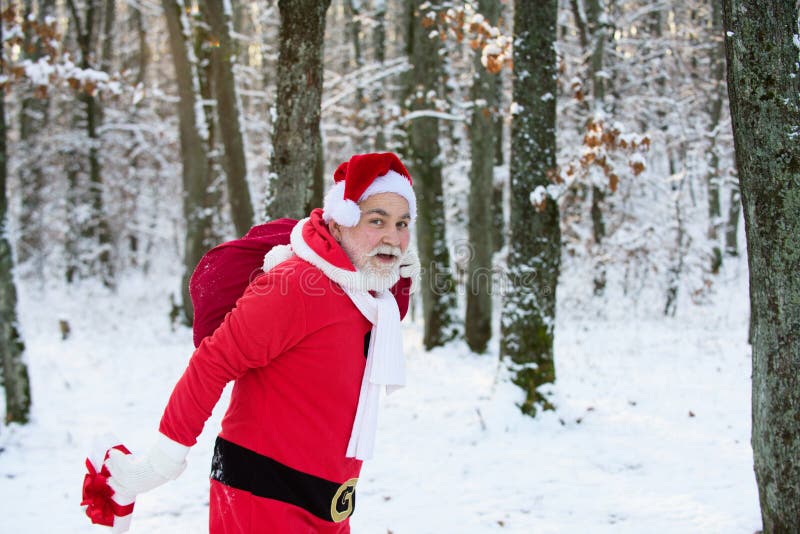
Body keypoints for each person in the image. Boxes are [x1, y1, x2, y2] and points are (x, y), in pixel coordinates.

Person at [103, 152, 420, 533]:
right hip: (263, 493)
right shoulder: (297, 286)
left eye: (402, 224)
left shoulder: (371, 296)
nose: (393, 237)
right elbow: (212, 362)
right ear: (339, 224)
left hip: (330, 499)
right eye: (376, 220)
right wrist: (163, 459)